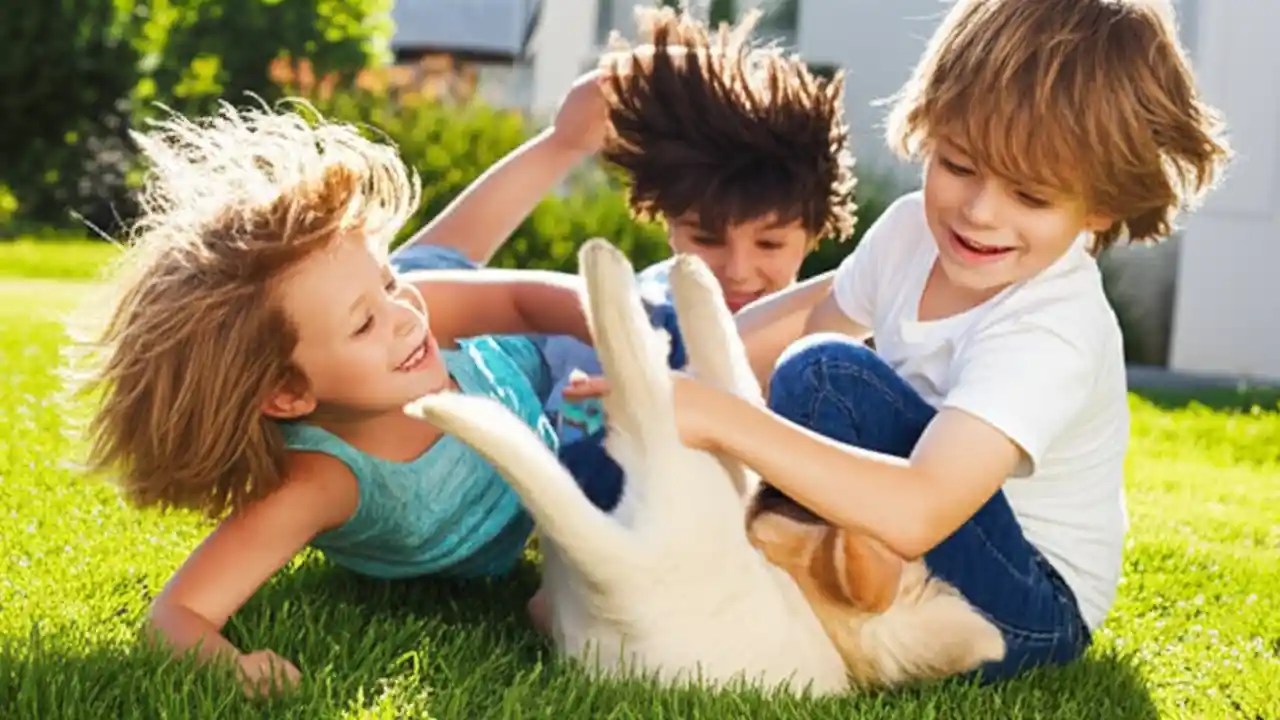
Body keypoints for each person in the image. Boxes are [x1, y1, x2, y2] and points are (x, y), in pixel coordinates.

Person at [566, 0, 1230, 682]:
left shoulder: (1053, 327)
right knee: (628, 457)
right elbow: (806, 351)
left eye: (1030, 196)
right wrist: (674, 384)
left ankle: (822, 582)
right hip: (902, 534)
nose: (979, 211)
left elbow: (917, 508)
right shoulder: (912, 230)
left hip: (1023, 605)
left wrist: (721, 418)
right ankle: (826, 575)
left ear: (1098, 207)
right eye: (959, 163)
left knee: (828, 376)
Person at [82, 73, 639, 696]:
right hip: (453, 395)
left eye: (387, 288)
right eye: (366, 320)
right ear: (286, 395)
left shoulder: (409, 315)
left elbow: (526, 301)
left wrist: (632, 342)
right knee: (433, 267)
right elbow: (174, 617)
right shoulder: (320, 482)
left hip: (518, 363)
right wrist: (231, 668)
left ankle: (560, 141)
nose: (402, 314)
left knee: (438, 270)